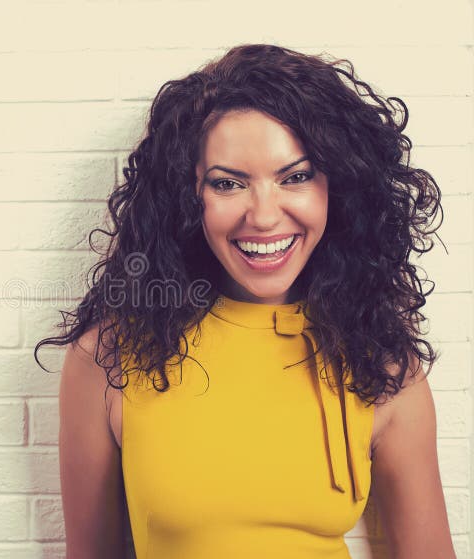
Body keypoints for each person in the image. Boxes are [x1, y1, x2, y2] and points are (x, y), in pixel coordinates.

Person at [34, 43, 455, 558]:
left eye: (295, 177)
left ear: (338, 187)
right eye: (228, 183)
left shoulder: (383, 364)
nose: (263, 216)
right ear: (188, 198)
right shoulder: (108, 358)